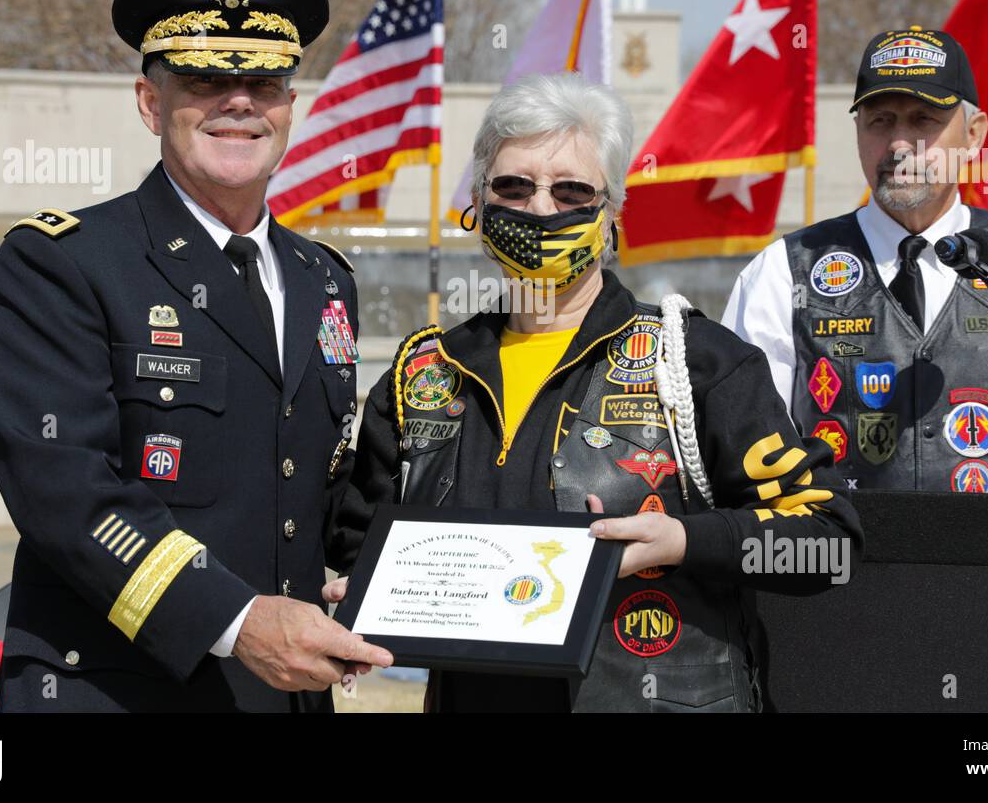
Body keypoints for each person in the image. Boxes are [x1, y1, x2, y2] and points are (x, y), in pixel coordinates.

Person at [327, 72, 863, 712]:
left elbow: (828, 543)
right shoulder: (423, 374)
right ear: (477, 202)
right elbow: (360, 544)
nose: (541, 208)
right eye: (513, 186)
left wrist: (685, 542)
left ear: (611, 213)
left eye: (572, 189)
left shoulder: (697, 362)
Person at [0, 0, 392, 712]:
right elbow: (66, 494)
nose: (239, 102)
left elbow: (320, 494)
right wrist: (236, 621)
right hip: (119, 689)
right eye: (205, 79)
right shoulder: (64, 262)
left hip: (287, 695)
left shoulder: (323, 277)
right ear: (150, 101)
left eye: (264, 81)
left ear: (290, 104)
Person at [723, 26, 988, 496]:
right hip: (836, 563)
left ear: (974, 134)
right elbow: (744, 435)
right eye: (880, 121)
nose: (900, 144)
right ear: (858, 131)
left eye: (923, 120)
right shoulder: (781, 272)